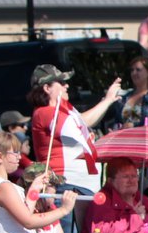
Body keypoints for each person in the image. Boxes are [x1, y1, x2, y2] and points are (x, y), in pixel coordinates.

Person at [29, 63, 122, 200]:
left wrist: (106, 102)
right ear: (47, 88)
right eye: (61, 82)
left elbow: (85, 122)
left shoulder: (63, 111)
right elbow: (84, 121)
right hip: (66, 187)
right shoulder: (44, 113)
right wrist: (107, 101)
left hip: (80, 187)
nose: (66, 86)